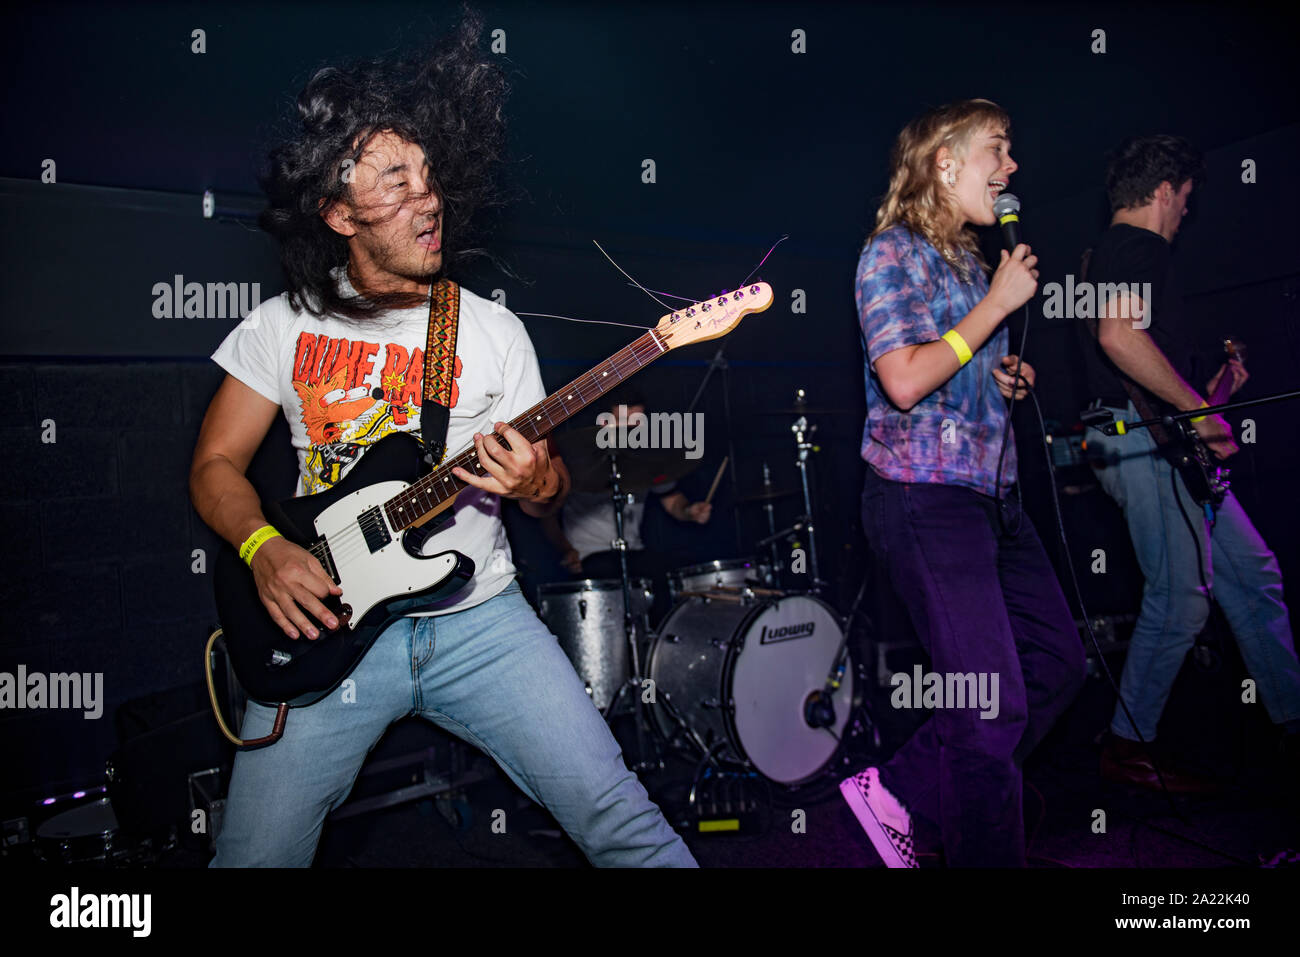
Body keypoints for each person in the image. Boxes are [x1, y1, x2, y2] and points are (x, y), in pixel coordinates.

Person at [188, 17, 696, 867]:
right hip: (328, 631)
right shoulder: (281, 325)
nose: (428, 198)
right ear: (339, 211)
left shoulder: (492, 330)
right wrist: (265, 547)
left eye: (429, 176)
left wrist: (534, 481)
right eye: (396, 179)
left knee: (622, 822)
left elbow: (552, 492)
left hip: (480, 620)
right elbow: (213, 466)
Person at [842, 99, 1085, 867]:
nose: (1011, 168)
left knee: (1057, 664)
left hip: (994, 497)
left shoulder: (974, 266)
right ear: (944, 163)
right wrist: (992, 313)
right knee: (988, 707)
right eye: (997, 149)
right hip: (923, 496)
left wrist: (995, 374)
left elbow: (951, 360)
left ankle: (902, 787)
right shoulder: (890, 254)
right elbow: (906, 378)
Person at [1079, 135, 1300, 791]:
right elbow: (1119, 336)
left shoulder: (1106, 255)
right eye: (1186, 198)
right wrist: (1202, 414)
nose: (1186, 213)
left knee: (1253, 577)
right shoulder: (1137, 247)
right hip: (1138, 443)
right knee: (1179, 597)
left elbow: (1145, 375)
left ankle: (1291, 724)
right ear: (1168, 189)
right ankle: (1127, 745)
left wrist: (1214, 398)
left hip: (1152, 441)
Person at [542, 387, 712, 583]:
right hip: (587, 556)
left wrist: (690, 511)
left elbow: (672, 501)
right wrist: (566, 550)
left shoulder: (647, 459)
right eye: (625, 425)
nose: (633, 432)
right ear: (605, 423)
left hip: (635, 552)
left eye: (638, 424)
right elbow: (547, 515)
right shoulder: (575, 461)